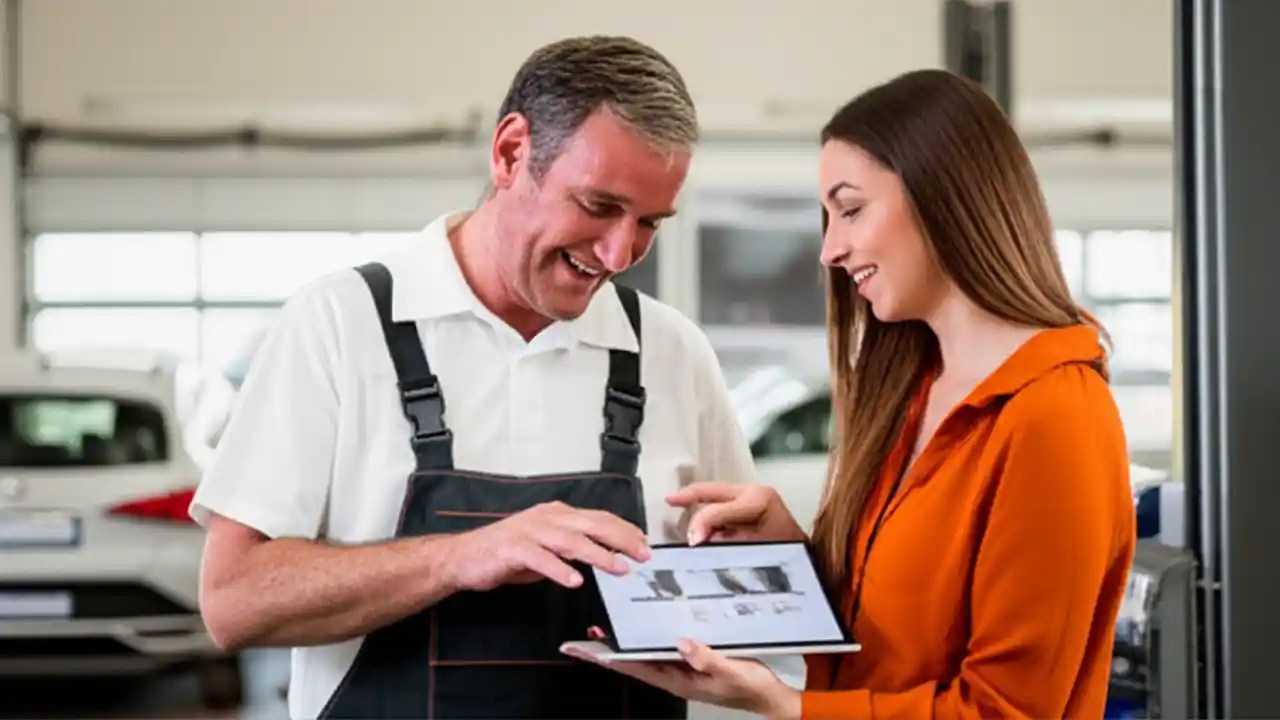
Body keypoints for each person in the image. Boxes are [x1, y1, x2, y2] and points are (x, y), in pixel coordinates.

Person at [191, 35, 757, 720]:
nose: (619, 253)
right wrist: (460, 558)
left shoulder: (671, 351)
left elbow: (743, 610)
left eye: (649, 223)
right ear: (511, 153)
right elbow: (233, 602)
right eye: (599, 206)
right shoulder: (339, 326)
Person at [564, 68, 1137, 719]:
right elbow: (889, 644)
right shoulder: (915, 394)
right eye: (828, 216)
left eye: (852, 209)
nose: (830, 250)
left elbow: (1009, 710)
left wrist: (788, 705)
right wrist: (789, 556)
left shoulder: (1055, 415)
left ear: (944, 195)